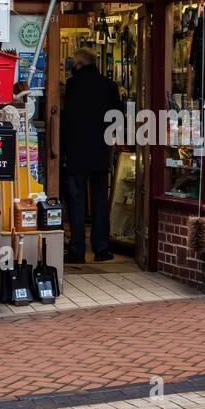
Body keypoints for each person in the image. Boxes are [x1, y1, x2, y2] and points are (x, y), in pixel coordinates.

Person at [61, 48, 121, 262]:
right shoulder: (109, 86)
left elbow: (65, 120)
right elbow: (118, 119)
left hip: (77, 151)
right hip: (100, 150)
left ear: (78, 65)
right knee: (100, 200)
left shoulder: (72, 86)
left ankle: (77, 249)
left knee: (76, 200)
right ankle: (101, 248)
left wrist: (62, 150)